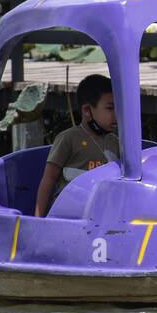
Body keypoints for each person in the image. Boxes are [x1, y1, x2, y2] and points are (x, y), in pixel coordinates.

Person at [34, 74, 119, 217]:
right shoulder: (68, 139)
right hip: (69, 211)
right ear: (87, 111)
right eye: (110, 108)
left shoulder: (115, 142)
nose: (116, 115)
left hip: (102, 212)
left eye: (118, 108)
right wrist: (38, 219)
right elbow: (49, 179)